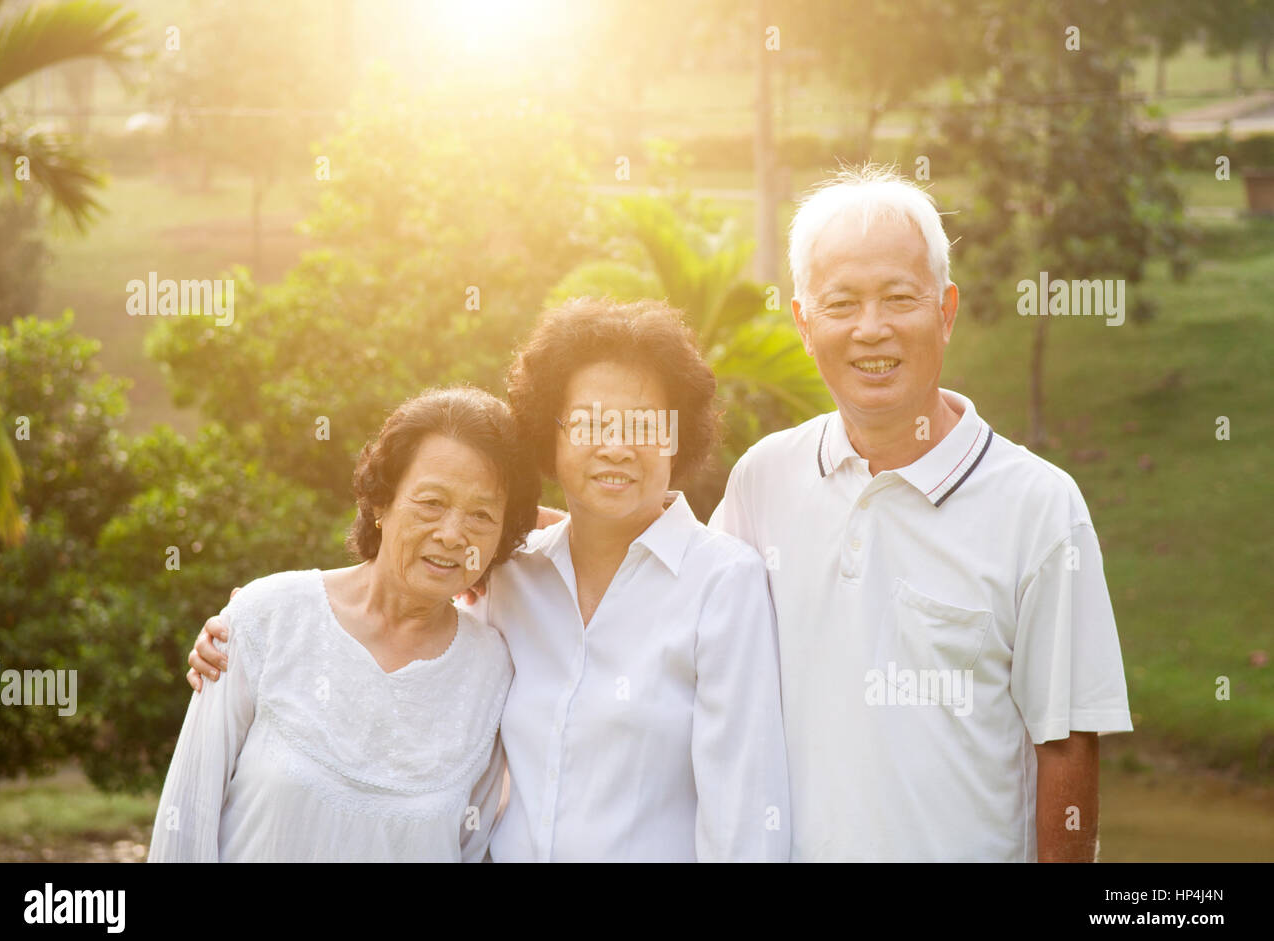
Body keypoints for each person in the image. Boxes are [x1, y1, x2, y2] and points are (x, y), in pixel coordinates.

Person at [188, 299, 792, 862]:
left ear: (677, 435)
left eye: (643, 425)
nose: (615, 447)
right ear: (548, 441)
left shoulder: (723, 585)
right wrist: (264, 620)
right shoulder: (511, 576)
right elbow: (407, 575)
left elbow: (743, 817)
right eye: (588, 424)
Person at [707, 165, 1133, 861]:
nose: (870, 329)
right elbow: (679, 605)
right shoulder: (763, 480)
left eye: (899, 298)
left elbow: (1066, 741)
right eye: (840, 303)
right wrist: (539, 537)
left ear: (946, 310)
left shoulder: (1039, 507)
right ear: (803, 321)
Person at [149, 386, 540, 862]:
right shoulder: (266, 617)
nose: (453, 534)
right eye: (431, 502)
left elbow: (470, 850)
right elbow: (186, 822)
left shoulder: (494, 671)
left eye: (482, 514)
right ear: (381, 502)